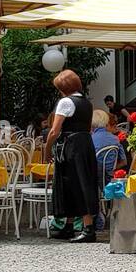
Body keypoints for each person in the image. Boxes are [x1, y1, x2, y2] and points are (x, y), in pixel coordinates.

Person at [44, 70, 99, 242]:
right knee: (82, 182)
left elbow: (54, 130)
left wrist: (47, 149)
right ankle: (75, 226)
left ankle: (85, 229)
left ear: (63, 88)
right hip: (85, 143)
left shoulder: (65, 102)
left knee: (71, 183)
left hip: (71, 146)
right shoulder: (87, 103)